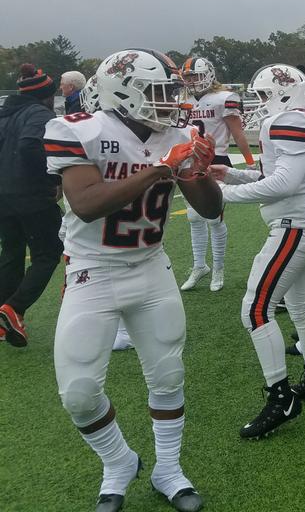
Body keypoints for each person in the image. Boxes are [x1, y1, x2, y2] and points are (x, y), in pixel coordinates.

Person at [44, 48, 220, 512]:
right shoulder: (77, 129)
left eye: (171, 92)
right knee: (79, 394)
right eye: (158, 92)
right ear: (123, 92)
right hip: (92, 270)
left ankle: (168, 468)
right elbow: (86, 202)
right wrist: (163, 168)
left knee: (167, 374)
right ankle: (119, 462)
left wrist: (195, 167)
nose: (170, 102)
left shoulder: (176, 133)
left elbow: (211, 208)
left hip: (150, 266)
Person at [215, 64, 305, 438]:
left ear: (285, 93)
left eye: (265, 95)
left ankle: (280, 396)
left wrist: (224, 195)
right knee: (302, 304)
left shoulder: (290, 122)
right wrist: (231, 174)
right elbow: (279, 174)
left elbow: (284, 184)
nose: (260, 103)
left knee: (255, 309)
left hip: (296, 225)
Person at [178, 56, 254, 293]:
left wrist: (250, 162)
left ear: (209, 74)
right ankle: (200, 265)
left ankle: (218, 267)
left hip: (216, 159)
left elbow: (238, 134)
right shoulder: (182, 99)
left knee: (214, 217)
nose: (192, 81)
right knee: (193, 217)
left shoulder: (225, 98)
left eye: (195, 76)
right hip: (189, 160)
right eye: (188, 77)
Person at [0, 65, 62, 347]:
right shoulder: (40, 113)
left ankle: (3, 319)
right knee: (48, 253)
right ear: (47, 95)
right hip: (31, 196)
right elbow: (28, 146)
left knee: (11, 255)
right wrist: (52, 177)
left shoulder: (6, 113)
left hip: (4, 196)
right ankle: (15, 308)